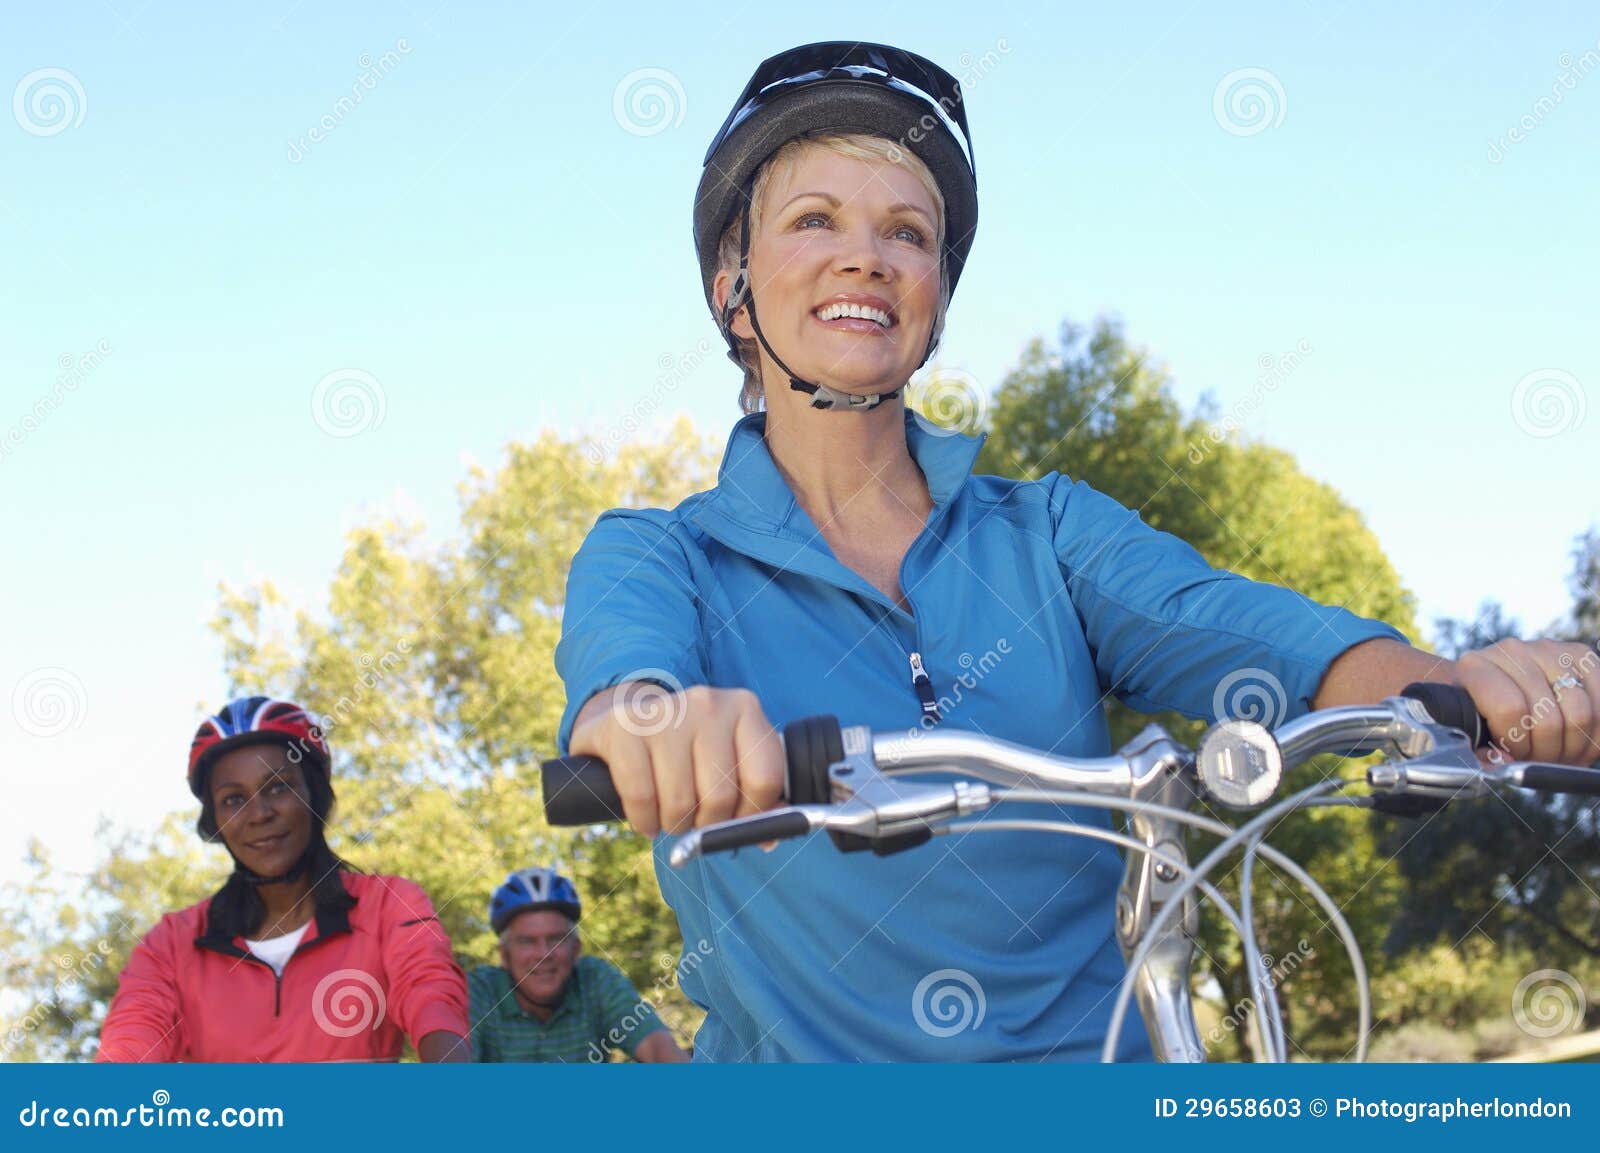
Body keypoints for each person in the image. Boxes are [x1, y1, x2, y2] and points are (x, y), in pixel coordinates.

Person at [556, 41, 1600, 1062]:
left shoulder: (1044, 532)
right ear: (731, 286)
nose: (864, 255)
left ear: (935, 296)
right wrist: (655, 725)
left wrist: (1456, 687)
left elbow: (1272, 639)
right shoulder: (660, 555)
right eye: (812, 220)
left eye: (907, 233)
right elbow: (622, 682)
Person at [98, 697, 470, 1062]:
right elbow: (131, 1039)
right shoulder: (171, 945)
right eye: (233, 800)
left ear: (315, 794)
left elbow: (433, 998)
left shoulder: (388, 904)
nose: (259, 814)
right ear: (216, 821)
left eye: (278, 787)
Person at [467, 867, 688, 1062]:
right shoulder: (479, 991)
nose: (544, 954)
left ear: (576, 949)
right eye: (527, 941)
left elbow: (658, 1050)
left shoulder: (595, 979)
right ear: (504, 955)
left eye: (556, 939)